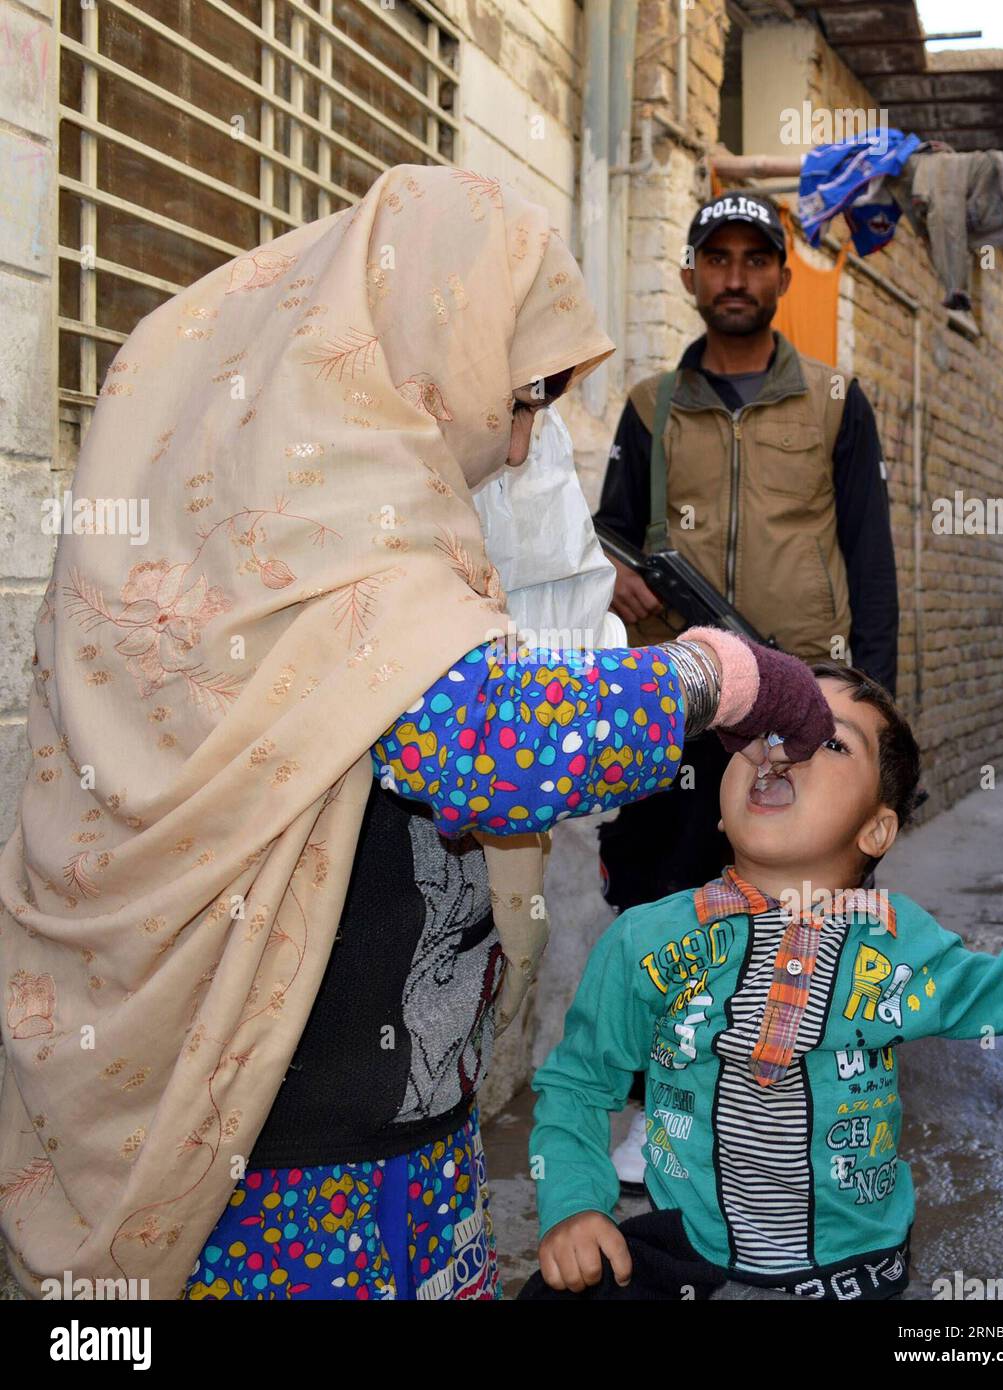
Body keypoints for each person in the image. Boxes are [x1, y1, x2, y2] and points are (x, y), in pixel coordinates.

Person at [0, 163, 835, 1302]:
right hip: (286, 1162)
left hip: (391, 1128)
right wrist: (721, 674)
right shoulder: (312, 530)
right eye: (522, 395)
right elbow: (493, 750)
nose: (523, 438)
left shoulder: (340, 503)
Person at [519, 656, 1003, 1301]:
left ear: (876, 828)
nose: (783, 747)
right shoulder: (647, 939)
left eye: (833, 740)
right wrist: (573, 1206)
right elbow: (580, 1083)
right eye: (768, 730)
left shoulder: (894, 944)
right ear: (722, 807)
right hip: (690, 1256)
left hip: (855, 1272)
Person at [594, 188, 900, 1184]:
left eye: (752, 258)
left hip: (795, 699)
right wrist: (612, 575)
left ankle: (793, 1122)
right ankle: (657, 1118)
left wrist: (874, 721)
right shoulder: (648, 405)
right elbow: (603, 532)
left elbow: (868, 555)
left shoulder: (831, 401)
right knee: (658, 904)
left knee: (799, 916)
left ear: (779, 275)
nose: (732, 275)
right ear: (688, 275)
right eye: (714, 257)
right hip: (671, 699)